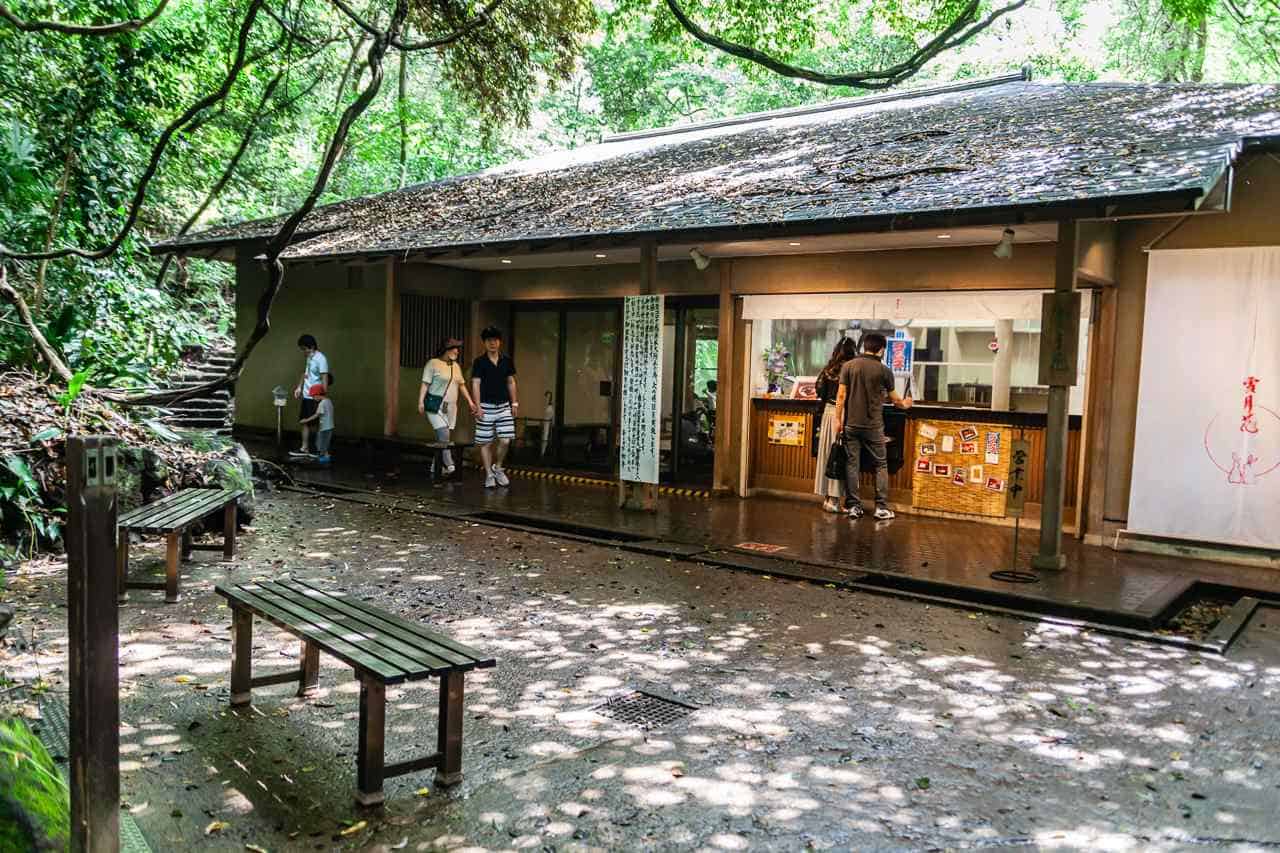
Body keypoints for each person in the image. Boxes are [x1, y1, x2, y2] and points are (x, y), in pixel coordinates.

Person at [834, 332, 912, 520]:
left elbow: (841, 396)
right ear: (882, 349)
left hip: (851, 424)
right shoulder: (884, 371)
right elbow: (896, 401)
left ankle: (854, 506)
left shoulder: (848, 366)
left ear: (865, 346)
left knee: (852, 464)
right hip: (873, 426)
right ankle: (881, 508)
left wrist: (838, 420)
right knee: (881, 464)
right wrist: (906, 403)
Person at [418, 337, 478, 477]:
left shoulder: (456, 366)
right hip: (434, 406)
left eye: (457, 349)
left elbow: (461, 385)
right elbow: (425, 383)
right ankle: (451, 466)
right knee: (444, 435)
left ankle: (435, 468)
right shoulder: (433, 363)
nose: (457, 351)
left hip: (451, 407)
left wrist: (470, 402)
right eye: (454, 348)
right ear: (446, 350)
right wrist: (420, 401)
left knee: (442, 438)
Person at [814, 337, 858, 513]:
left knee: (828, 455)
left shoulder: (828, 370)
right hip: (842, 415)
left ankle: (827, 498)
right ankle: (834, 501)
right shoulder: (851, 370)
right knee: (839, 457)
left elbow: (819, 390)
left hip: (827, 414)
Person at [470, 326, 518, 488]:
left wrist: (515, 402)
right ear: (484, 343)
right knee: (486, 442)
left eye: (495, 340)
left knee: (505, 440)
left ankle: (498, 467)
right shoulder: (479, 362)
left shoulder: (506, 360)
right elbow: (476, 384)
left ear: (500, 342)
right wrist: (477, 406)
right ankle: (489, 475)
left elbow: (511, 381)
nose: (492, 343)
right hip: (485, 406)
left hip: (504, 405)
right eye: (489, 340)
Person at [291, 334, 330, 456]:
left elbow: (324, 378)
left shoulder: (321, 359)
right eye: (301, 349)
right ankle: (304, 448)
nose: (303, 352)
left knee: (318, 424)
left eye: (304, 349)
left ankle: (320, 450)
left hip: (315, 396)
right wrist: (299, 387)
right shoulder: (309, 357)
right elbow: (305, 373)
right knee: (304, 422)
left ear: (312, 347)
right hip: (306, 395)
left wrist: (322, 397)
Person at [298, 383, 334, 464]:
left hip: (324, 428)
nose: (313, 398)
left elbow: (316, 415)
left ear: (317, 394)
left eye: (313, 396)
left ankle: (323, 459)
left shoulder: (321, 404)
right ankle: (326, 456)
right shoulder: (329, 401)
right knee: (325, 443)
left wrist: (305, 420)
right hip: (330, 427)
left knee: (320, 443)